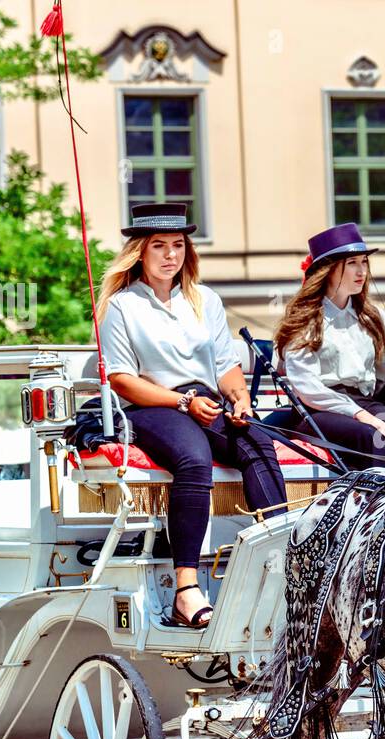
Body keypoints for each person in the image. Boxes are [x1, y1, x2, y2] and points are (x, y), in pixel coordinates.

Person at [98, 203, 287, 629]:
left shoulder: (205, 300)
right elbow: (122, 379)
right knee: (193, 455)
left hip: (205, 400)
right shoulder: (122, 306)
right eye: (159, 246)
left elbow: (226, 366)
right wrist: (181, 403)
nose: (170, 255)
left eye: (178, 245)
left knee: (258, 442)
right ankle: (186, 589)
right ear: (139, 253)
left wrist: (240, 399)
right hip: (149, 406)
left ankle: (278, 563)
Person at [276, 223, 385, 470]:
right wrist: (358, 414)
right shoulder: (306, 320)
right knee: (371, 435)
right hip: (317, 410)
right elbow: (308, 388)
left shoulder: (371, 316)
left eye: (364, 262)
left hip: (364, 401)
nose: (362, 271)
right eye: (352, 263)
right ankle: (380, 507)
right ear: (329, 269)